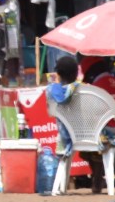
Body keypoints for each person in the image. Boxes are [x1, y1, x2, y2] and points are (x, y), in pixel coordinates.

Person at [45, 55, 111, 193]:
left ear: (58, 74)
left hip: (66, 137)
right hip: (89, 136)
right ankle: (97, 176)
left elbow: (50, 110)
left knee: (87, 150)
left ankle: (63, 185)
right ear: (76, 74)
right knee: (98, 142)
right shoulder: (85, 89)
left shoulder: (52, 90)